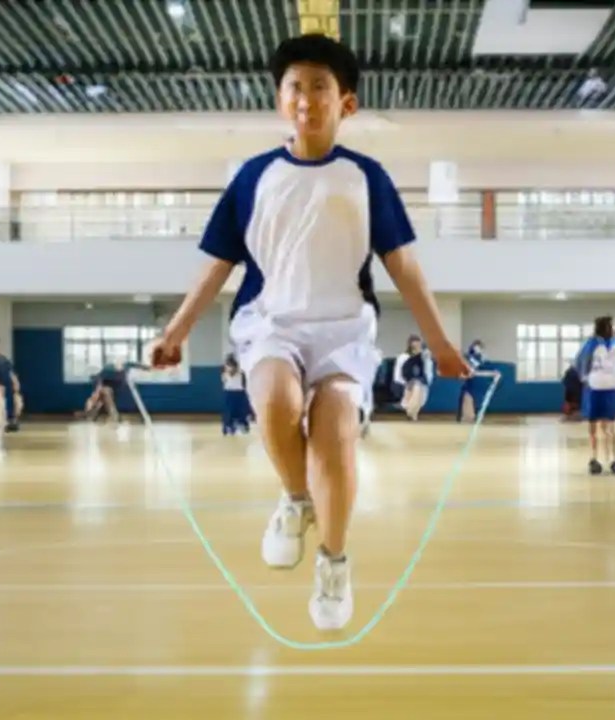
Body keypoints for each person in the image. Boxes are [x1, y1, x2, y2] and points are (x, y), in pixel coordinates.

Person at [148, 33, 470, 631]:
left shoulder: (365, 177)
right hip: (272, 322)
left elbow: (404, 267)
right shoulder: (254, 177)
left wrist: (443, 344)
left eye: (321, 87)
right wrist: (176, 330)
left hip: (345, 330)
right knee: (273, 399)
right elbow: (218, 263)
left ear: (345, 103)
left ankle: (334, 562)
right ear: (279, 99)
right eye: (295, 86)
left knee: (336, 434)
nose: (306, 98)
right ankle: (295, 500)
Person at [576, 316, 615, 475]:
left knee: (607, 426)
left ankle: (613, 460)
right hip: (595, 386)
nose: (612, 328)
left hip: (608, 386)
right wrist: (585, 377)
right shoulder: (591, 344)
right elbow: (580, 361)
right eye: (610, 326)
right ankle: (595, 459)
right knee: (597, 426)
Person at [221, 354, 251, 435]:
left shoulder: (241, 373)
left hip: (239, 392)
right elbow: (224, 380)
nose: (230, 367)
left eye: (232, 365)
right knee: (229, 411)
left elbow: (244, 383)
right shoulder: (225, 373)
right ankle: (229, 426)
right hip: (229, 393)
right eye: (228, 365)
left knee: (241, 411)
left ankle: (242, 425)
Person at [457, 340, 485, 422]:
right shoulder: (469, 355)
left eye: (479, 347)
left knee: (472, 397)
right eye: (476, 346)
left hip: (475, 380)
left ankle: (471, 415)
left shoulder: (480, 358)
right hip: (468, 380)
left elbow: (475, 366)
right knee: (465, 396)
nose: (477, 348)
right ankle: (465, 416)